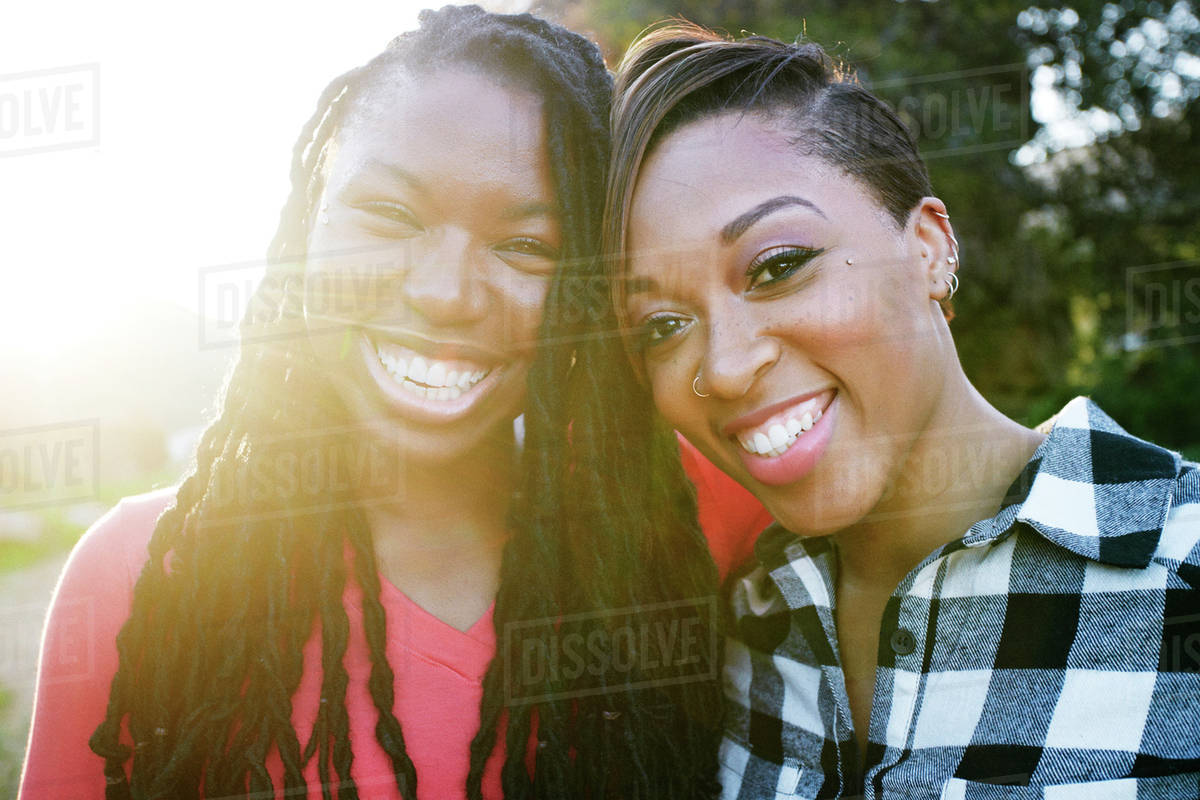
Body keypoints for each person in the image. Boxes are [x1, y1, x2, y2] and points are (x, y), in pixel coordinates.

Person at [19, 9, 771, 799]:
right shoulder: (146, 572)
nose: (443, 294)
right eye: (388, 216)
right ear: (307, 229)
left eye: (525, 247)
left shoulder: (687, 525)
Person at [595, 21, 1200, 800]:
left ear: (929, 249)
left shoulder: (1177, 568)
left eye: (778, 266)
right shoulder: (732, 628)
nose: (726, 366)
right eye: (662, 327)